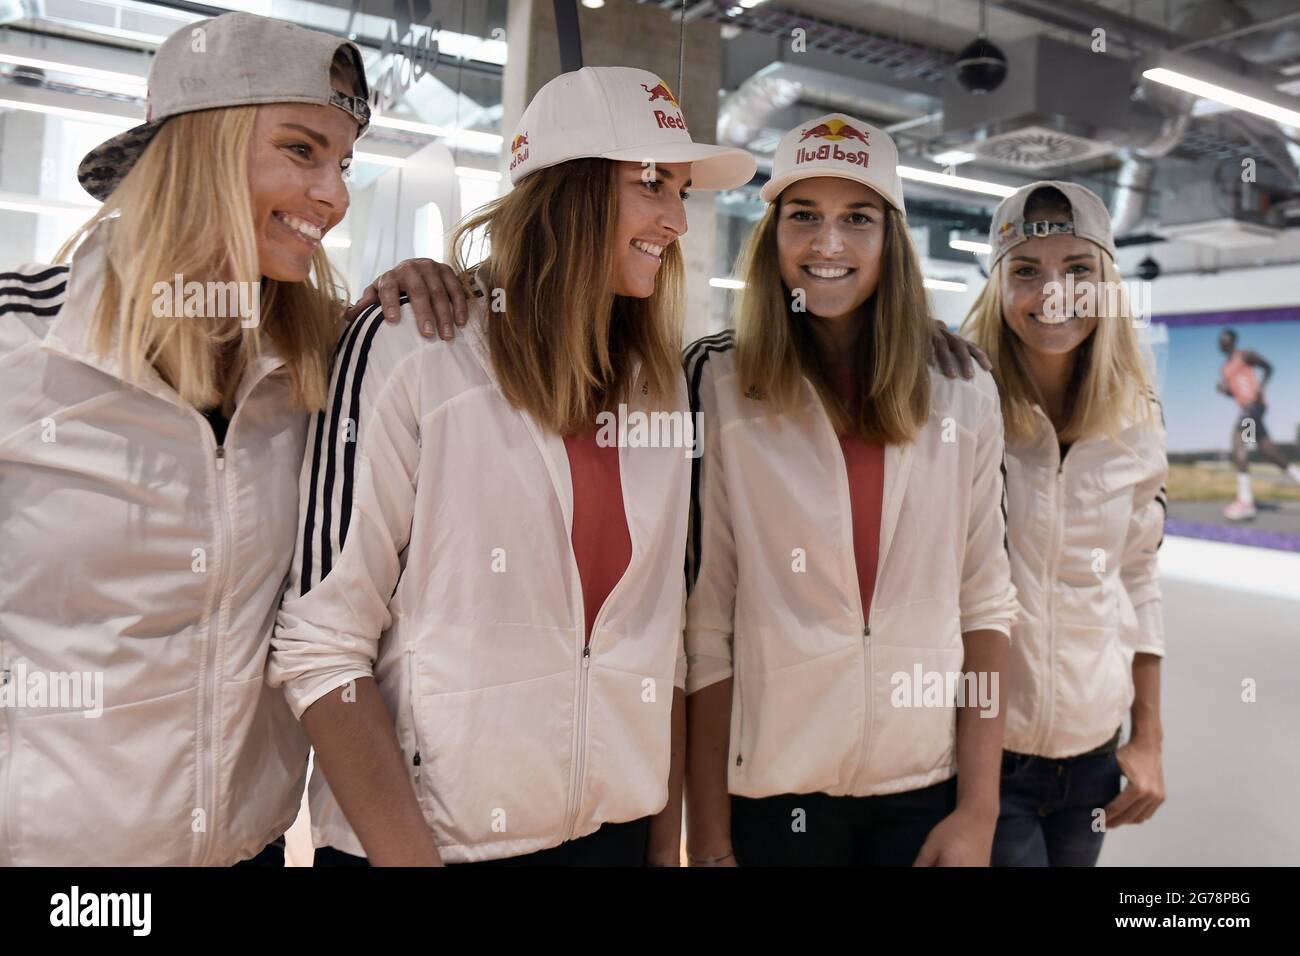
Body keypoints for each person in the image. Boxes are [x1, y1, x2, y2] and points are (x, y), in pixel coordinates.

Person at [267, 66, 756, 866]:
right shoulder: (411, 349)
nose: (677, 219)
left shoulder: (659, 387)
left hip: (613, 837)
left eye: (683, 192)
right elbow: (320, 643)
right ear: (571, 193)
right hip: (427, 847)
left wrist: (665, 853)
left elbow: (658, 647)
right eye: (654, 185)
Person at [0, 12, 386, 865]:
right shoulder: (20, 337)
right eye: (301, 150)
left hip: (249, 851)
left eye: (344, 161)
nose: (335, 193)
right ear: (200, 147)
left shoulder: (313, 365)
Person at [680, 114, 1018, 867]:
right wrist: (707, 832)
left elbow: (987, 605)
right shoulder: (716, 381)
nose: (828, 245)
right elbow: (706, 625)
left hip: (922, 790)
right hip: (770, 793)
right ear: (771, 234)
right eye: (804, 216)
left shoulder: (961, 390)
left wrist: (979, 809)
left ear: (890, 240)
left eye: (857, 219)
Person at [963, 181, 1168, 866]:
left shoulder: (1137, 419)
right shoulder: (962, 408)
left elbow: (1139, 578)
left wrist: (1148, 737)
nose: (1053, 291)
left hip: (1092, 759)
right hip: (985, 756)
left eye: (1078, 269)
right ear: (999, 286)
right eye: (1026, 270)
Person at [1216, 327, 1300, 521]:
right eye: (1220, 339)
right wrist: (1224, 391)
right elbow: (1234, 393)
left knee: (1239, 441)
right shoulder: (1224, 369)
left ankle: (1246, 502)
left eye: (1225, 338)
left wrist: (1261, 386)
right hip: (1247, 408)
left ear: (1233, 341)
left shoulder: (1245, 355)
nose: (1222, 342)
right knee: (1268, 451)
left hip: (1254, 406)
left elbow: (1269, 367)